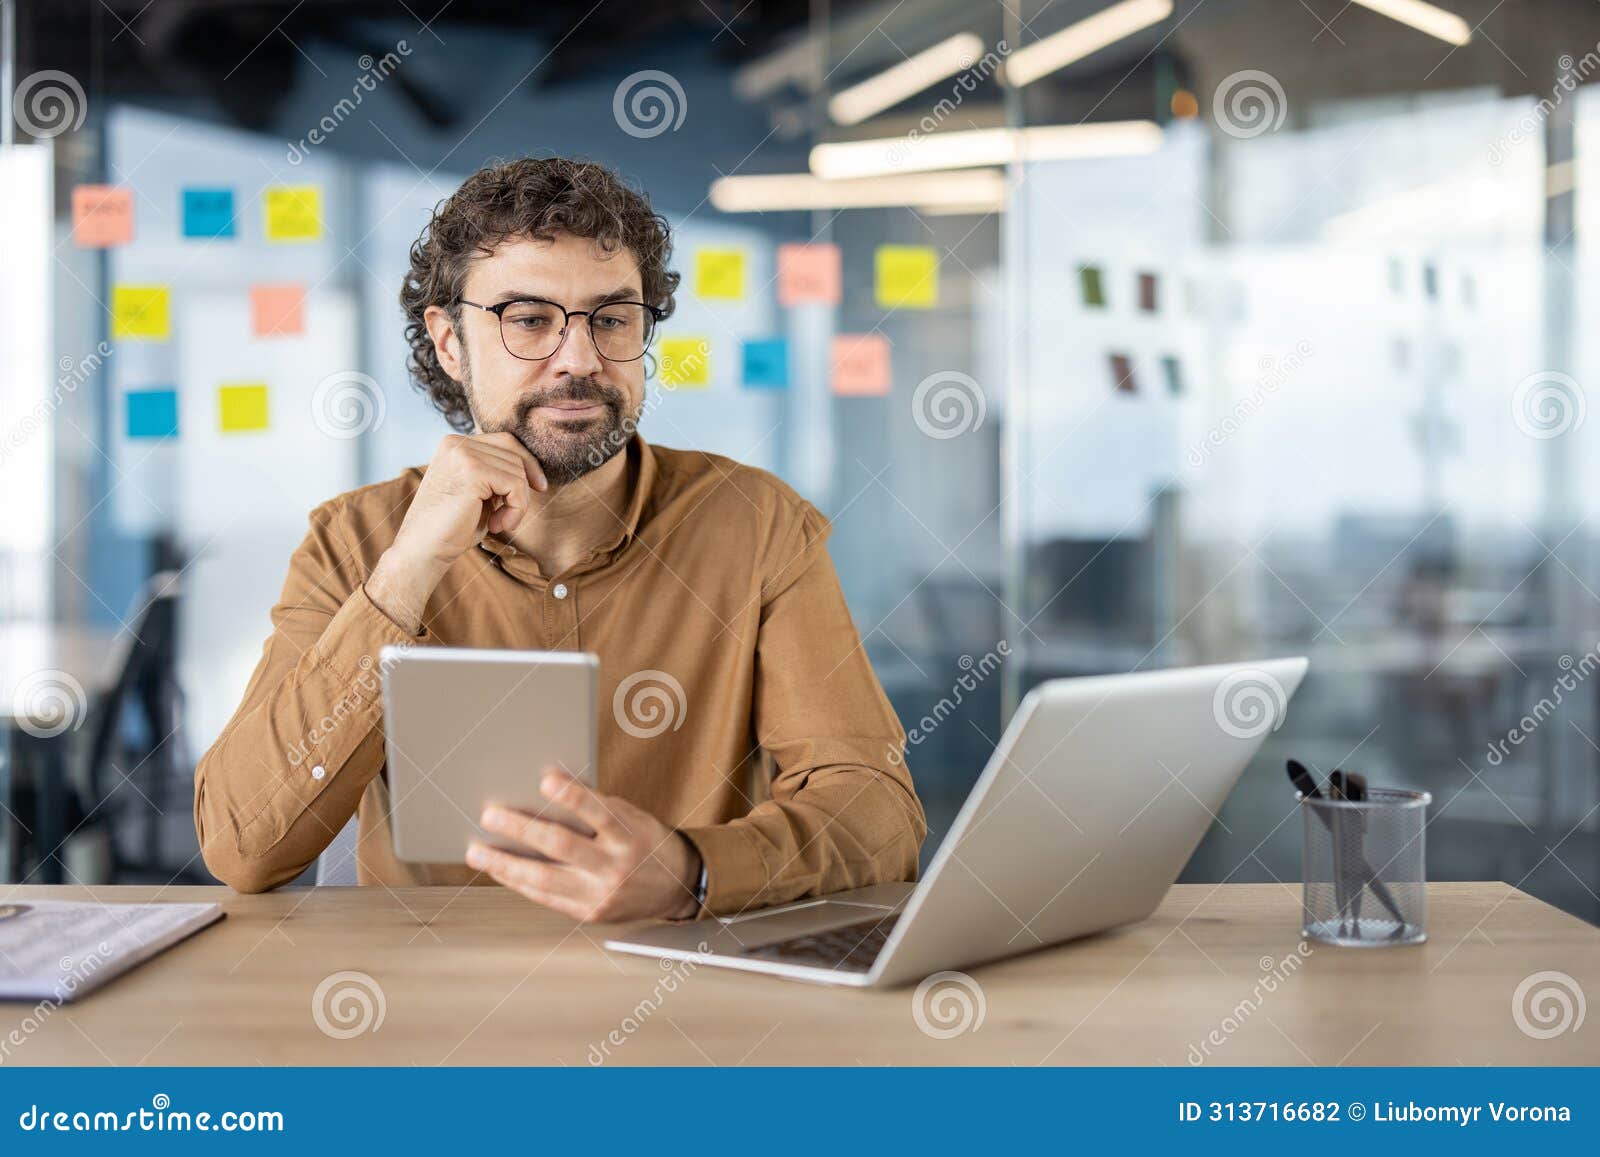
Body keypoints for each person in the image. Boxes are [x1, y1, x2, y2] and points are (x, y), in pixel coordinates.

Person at [193, 156, 926, 922]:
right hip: (423, 1013)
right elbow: (242, 847)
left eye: (611, 319)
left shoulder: (757, 524)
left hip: (687, 1000)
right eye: (529, 319)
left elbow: (878, 812)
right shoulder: (354, 540)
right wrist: (406, 572)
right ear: (448, 342)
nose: (579, 360)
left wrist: (693, 873)